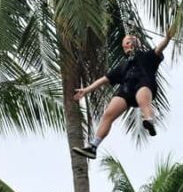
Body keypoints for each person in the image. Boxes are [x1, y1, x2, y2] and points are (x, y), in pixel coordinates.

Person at [72, 31, 174, 159]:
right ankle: (93, 147)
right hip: (126, 90)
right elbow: (104, 79)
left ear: (136, 44)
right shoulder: (123, 66)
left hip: (144, 84)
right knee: (108, 113)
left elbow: (160, 48)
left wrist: (168, 38)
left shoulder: (147, 56)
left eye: (128, 42)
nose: (126, 45)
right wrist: (86, 90)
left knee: (141, 97)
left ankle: (149, 120)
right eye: (124, 44)